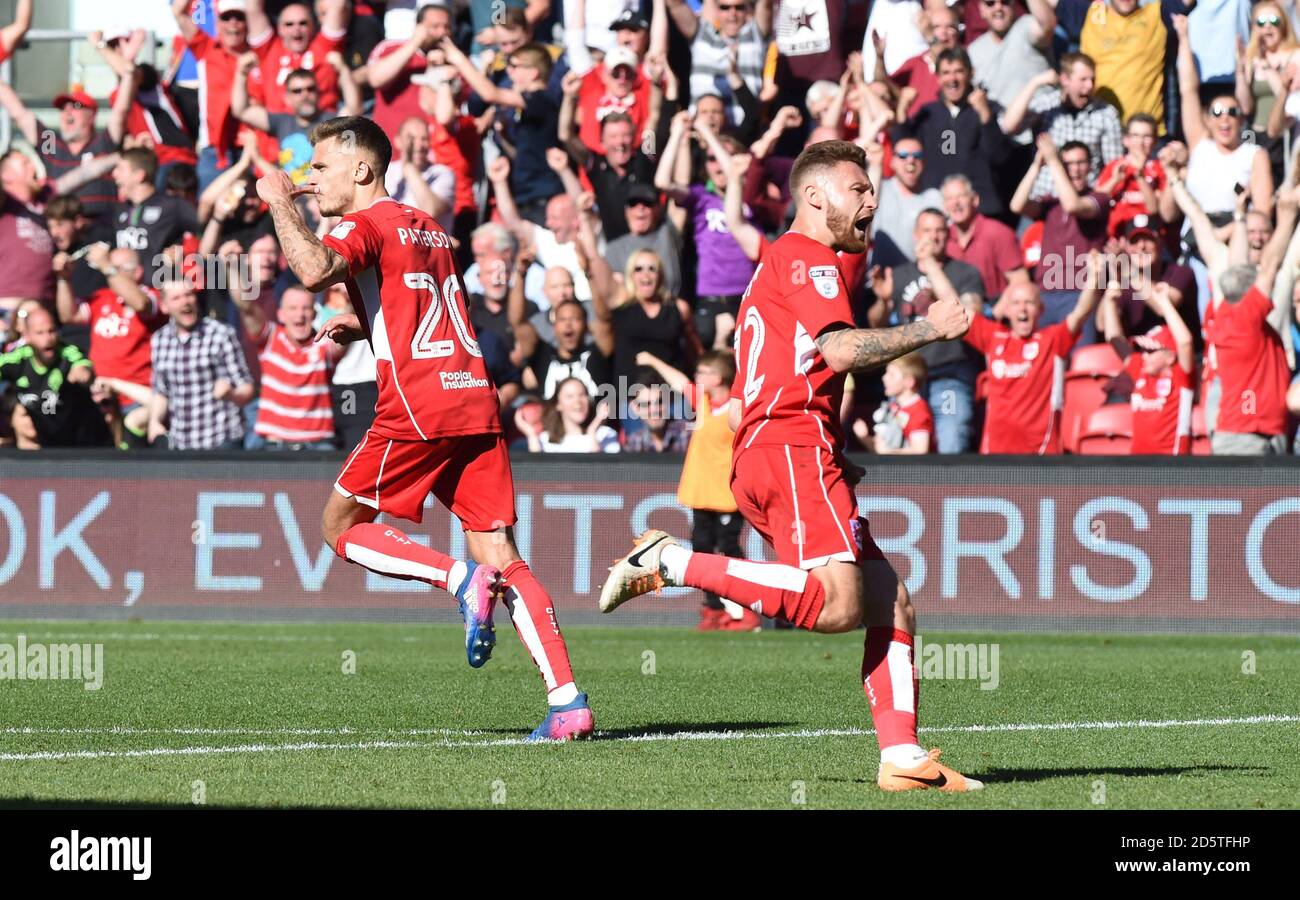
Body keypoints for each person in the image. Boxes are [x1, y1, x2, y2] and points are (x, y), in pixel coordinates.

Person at [599, 140, 983, 793]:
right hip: (789, 443)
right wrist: (931, 327)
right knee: (838, 608)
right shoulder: (807, 257)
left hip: (791, 443)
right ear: (813, 198)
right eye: (857, 190)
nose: (871, 200)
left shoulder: (788, 261)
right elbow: (837, 352)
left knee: (892, 601)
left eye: (871, 189)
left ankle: (902, 758)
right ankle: (671, 563)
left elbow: (797, 360)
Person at [254, 115, 593, 741]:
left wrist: (279, 205)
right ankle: (568, 700)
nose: (310, 179)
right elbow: (422, 299)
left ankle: (457, 579)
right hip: (471, 396)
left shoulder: (363, 221)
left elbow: (312, 269)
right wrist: (368, 326)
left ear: (361, 169)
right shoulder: (427, 224)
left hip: (417, 405)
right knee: (501, 552)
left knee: (339, 527)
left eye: (320, 166)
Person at [640, 347, 756, 631]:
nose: (698, 376)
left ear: (719, 378)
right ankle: (714, 609)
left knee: (729, 550)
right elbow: (679, 381)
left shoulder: (737, 409)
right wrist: (653, 358)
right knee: (702, 551)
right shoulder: (703, 404)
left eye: (705, 372)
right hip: (702, 493)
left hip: (728, 495)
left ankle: (746, 610)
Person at [872, 208, 986, 454]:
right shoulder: (901, 274)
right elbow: (875, 326)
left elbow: (968, 316)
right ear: (915, 234)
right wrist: (882, 301)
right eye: (927, 230)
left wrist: (931, 265)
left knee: (952, 436)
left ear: (948, 235)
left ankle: (951, 492)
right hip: (908, 379)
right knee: (894, 442)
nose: (934, 237)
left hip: (950, 374)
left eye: (940, 231)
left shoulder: (966, 273)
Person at [964, 276, 1101, 454]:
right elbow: (957, 314)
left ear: (1041, 309)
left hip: (1041, 454)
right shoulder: (993, 337)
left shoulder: (1053, 340)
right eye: (1016, 303)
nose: (1022, 308)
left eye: (1029, 303)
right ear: (1006, 310)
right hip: (995, 453)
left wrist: (1095, 277)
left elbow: (1082, 312)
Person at [229, 281, 342, 449]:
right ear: (281, 314)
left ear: (315, 314)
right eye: (293, 308)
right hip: (273, 446)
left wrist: (352, 288)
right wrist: (231, 265)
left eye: (306, 308)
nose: (300, 315)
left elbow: (350, 327)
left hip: (318, 447)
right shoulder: (271, 338)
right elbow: (246, 306)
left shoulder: (324, 347)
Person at [149, 278, 255, 450]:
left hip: (222, 440)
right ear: (164, 306)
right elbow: (161, 391)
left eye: (189, 295)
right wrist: (154, 422)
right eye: (176, 298)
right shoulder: (159, 340)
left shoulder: (220, 334)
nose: (185, 302)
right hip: (181, 443)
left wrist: (232, 394)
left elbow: (247, 388)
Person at [1099, 282, 1196, 455]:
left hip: (1173, 467)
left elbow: (1185, 342)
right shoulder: (1141, 370)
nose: (1144, 355)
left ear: (1170, 356)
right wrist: (1110, 302)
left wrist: (1164, 303)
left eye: (1151, 351)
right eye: (1142, 350)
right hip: (1139, 467)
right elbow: (1114, 339)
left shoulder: (1181, 377)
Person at [0, 306, 110, 447]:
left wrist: (83, 373)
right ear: (27, 336)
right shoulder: (17, 359)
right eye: (40, 333)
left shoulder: (69, 353)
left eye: (51, 331)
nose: (48, 338)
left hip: (77, 440)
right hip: (38, 439)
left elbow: (84, 368)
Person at [942, 173, 1027, 300]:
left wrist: (996, 311)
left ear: (975, 199)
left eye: (961, 196)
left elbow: (1020, 281)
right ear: (944, 206)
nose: (956, 203)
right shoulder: (942, 238)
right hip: (955, 315)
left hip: (994, 314)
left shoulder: (998, 233)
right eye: (949, 198)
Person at [868, 135, 942, 268]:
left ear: (924, 162)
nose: (910, 160)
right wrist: (875, 165)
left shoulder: (935, 197)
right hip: (881, 277)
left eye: (917, 155)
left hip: (918, 280)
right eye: (902, 155)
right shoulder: (879, 188)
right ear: (892, 161)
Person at [514, 375, 619, 452]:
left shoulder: (605, 435)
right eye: (570, 396)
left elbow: (601, 473)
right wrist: (531, 435)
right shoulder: (545, 440)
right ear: (558, 405)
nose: (578, 401)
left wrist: (592, 432)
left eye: (582, 395)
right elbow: (535, 473)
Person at [871, 353, 934, 454]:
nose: (884, 378)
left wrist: (888, 452)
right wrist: (864, 437)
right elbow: (880, 448)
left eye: (891, 375)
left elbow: (920, 451)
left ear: (909, 382)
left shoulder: (918, 412)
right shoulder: (893, 407)